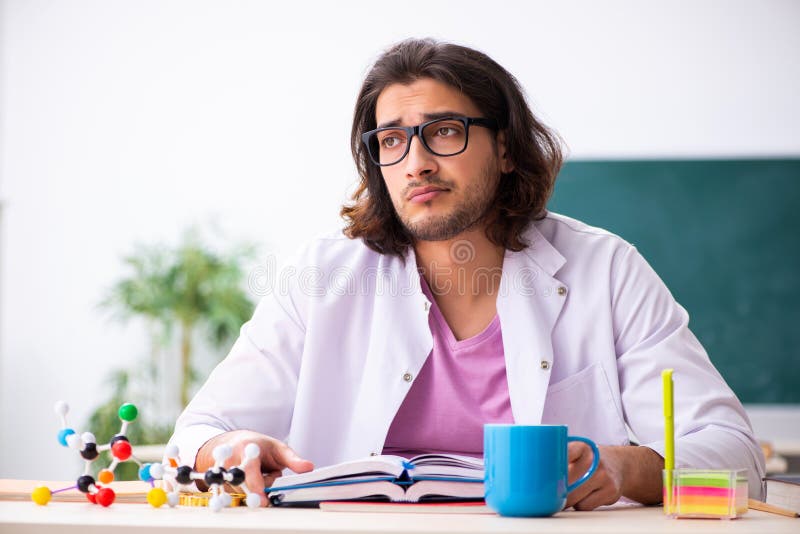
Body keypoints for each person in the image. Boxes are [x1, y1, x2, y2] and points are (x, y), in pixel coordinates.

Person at [168, 38, 765, 509]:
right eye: (392, 141)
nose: (417, 163)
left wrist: (626, 467)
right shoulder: (321, 276)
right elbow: (198, 433)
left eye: (445, 132)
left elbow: (737, 455)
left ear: (506, 148)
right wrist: (230, 447)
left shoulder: (605, 269)